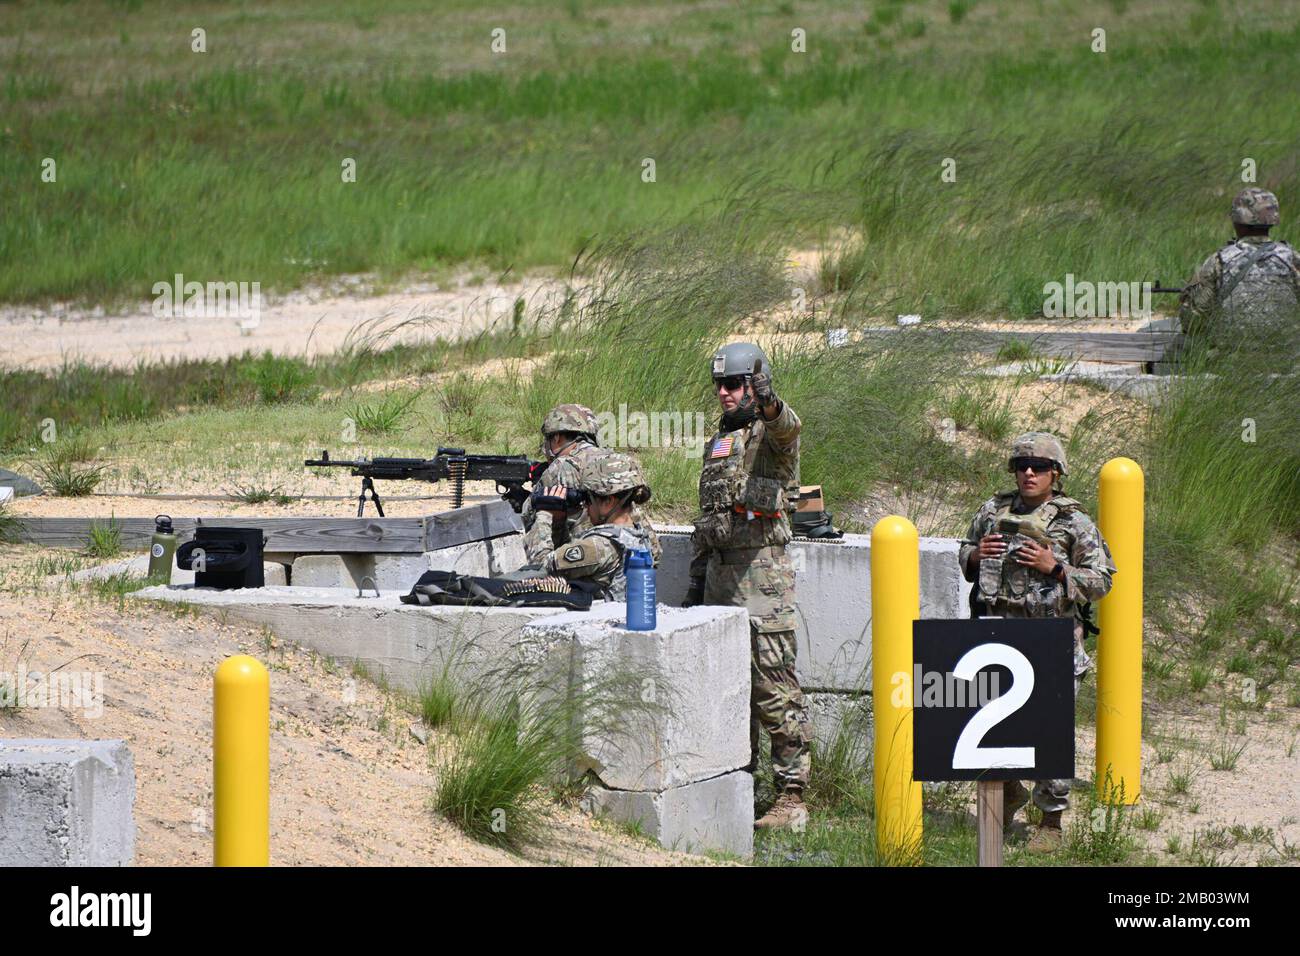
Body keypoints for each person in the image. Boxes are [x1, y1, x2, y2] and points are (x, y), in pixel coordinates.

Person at [957, 432, 1115, 853]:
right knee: (996, 723)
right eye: (1021, 465)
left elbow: (1102, 581)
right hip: (998, 638)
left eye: (1039, 466)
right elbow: (965, 551)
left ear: (1056, 474)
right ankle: (1008, 792)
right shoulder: (993, 510)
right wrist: (975, 555)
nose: (1028, 472)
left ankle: (1050, 821)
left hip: (1051, 642)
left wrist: (1057, 568)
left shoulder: (1074, 523)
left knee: (1051, 730)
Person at [683, 342, 812, 830]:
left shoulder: (771, 433)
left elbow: (789, 426)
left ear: (754, 384)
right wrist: (696, 585)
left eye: (734, 384)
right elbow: (709, 515)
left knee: (773, 687)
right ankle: (741, 783)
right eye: (719, 385)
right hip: (720, 576)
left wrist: (770, 400)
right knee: (730, 687)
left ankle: (792, 796)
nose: (723, 393)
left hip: (762, 579)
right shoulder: (720, 440)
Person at [1178, 187, 1300, 363]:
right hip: (1288, 362)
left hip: (1231, 363)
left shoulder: (1219, 260)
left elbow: (1192, 318)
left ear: (1237, 220)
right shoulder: (1292, 259)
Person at [534, 449, 657, 600]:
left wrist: (544, 513)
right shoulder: (639, 536)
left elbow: (539, 569)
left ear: (608, 501)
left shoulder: (599, 546)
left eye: (588, 499)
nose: (585, 506)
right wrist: (559, 522)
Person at [522, 404, 605, 565]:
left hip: (578, 566)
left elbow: (531, 521)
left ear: (557, 437)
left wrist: (528, 500)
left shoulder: (560, 467)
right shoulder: (612, 459)